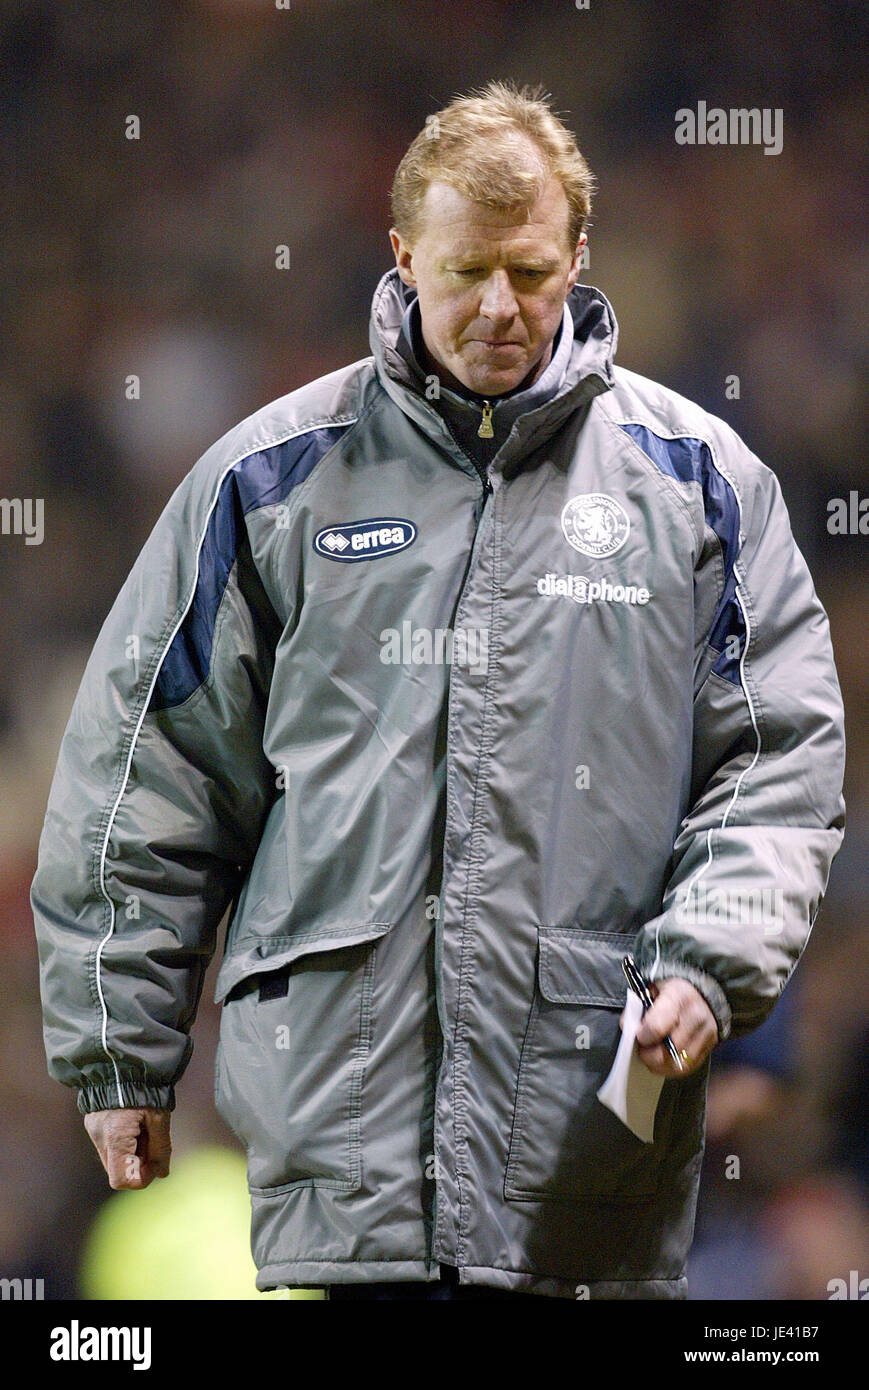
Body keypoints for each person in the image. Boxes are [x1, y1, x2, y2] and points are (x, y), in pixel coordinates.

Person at [32, 79, 846, 1300]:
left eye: (528, 272)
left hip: (592, 1149)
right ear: (402, 252)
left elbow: (778, 757)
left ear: (579, 254)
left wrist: (707, 954)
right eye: (464, 271)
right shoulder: (266, 488)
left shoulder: (699, 486)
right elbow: (144, 774)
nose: (498, 309)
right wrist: (119, 1055)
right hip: (341, 1150)